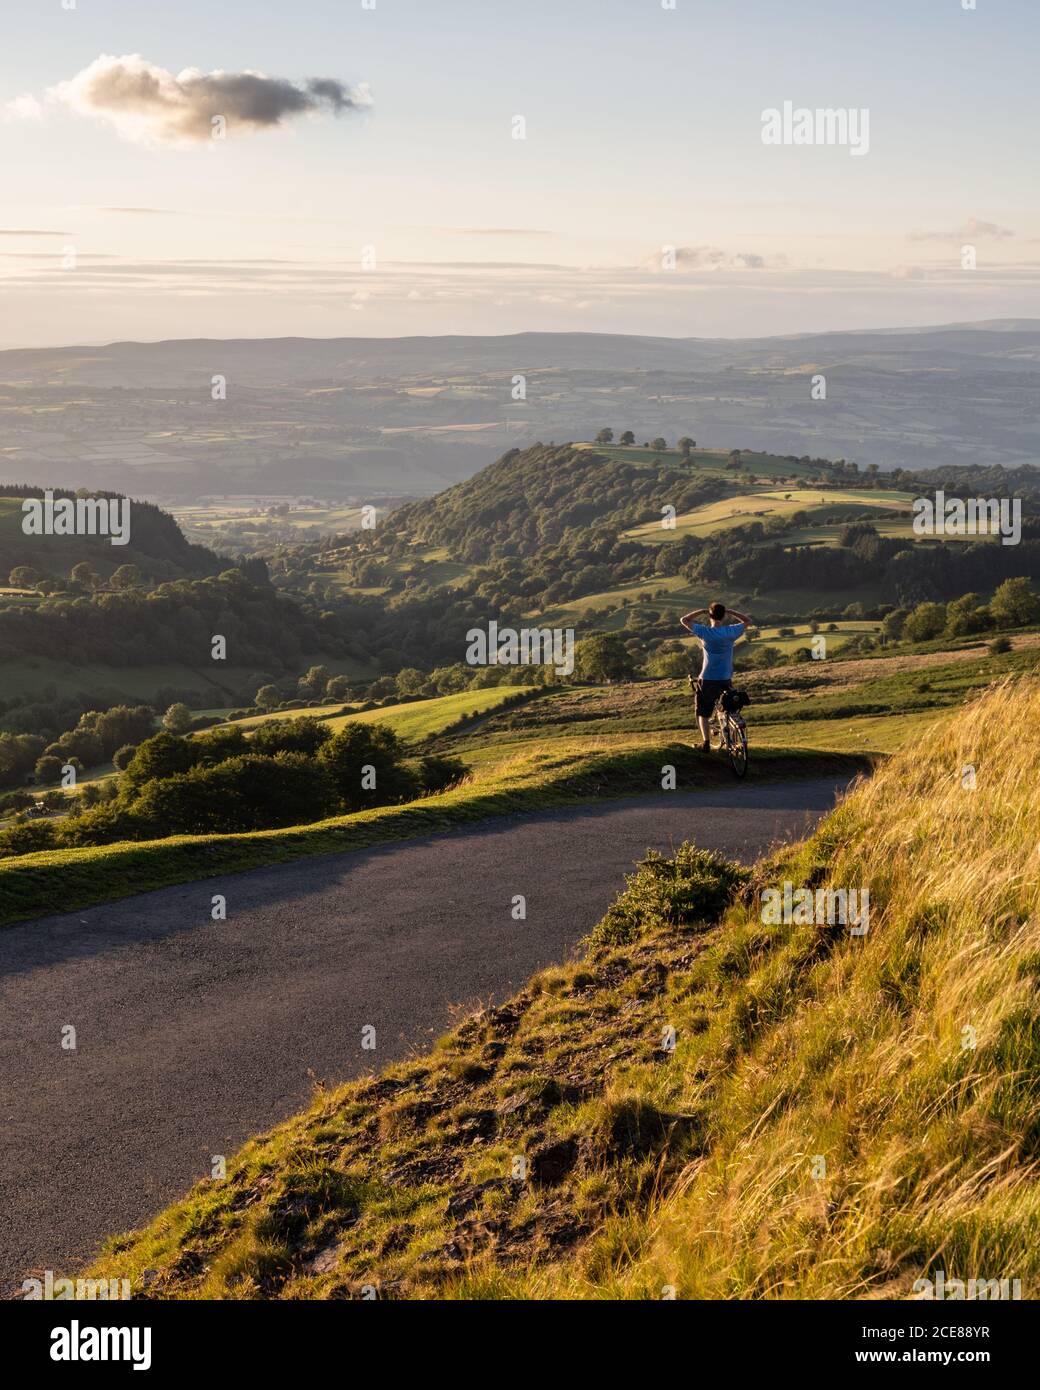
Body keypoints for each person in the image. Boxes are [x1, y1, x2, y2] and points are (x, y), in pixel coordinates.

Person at [679, 601, 751, 752]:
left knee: (703, 711)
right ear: (723, 616)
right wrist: (731, 612)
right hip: (725, 677)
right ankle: (732, 737)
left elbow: (684, 620)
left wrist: (701, 611)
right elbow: (747, 621)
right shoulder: (730, 632)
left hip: (708, 677)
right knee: (729, 707)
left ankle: (705, 743)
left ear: (710, 616)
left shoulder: (705, 632)